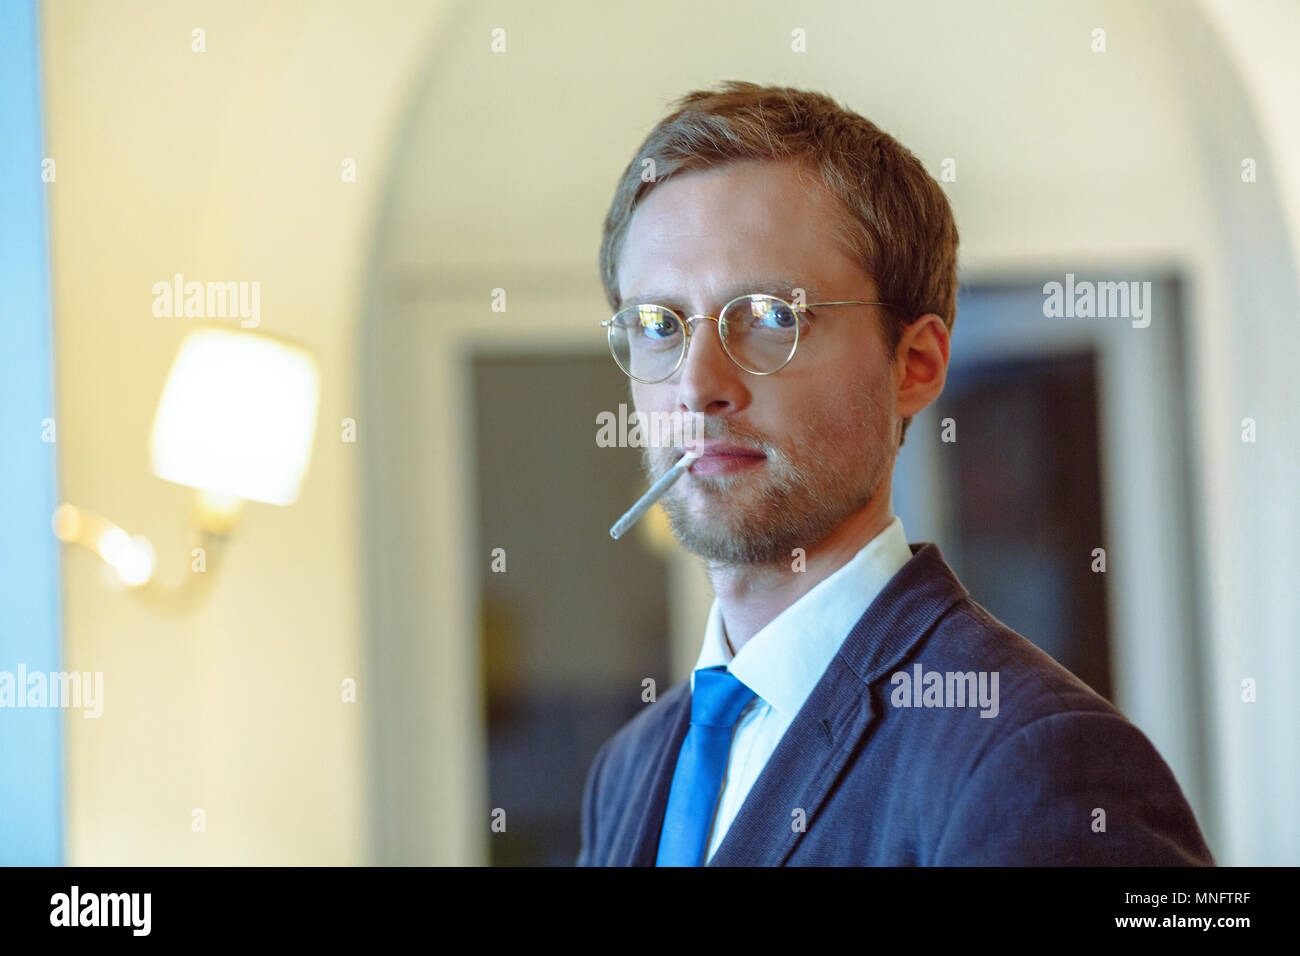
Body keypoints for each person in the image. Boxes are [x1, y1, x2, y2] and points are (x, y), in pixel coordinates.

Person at [578, 81, 1213, 866]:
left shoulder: (1038, 762)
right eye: (656, 325)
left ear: (915, 365)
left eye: (773, 315)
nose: (697, 384)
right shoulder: (633, 769)